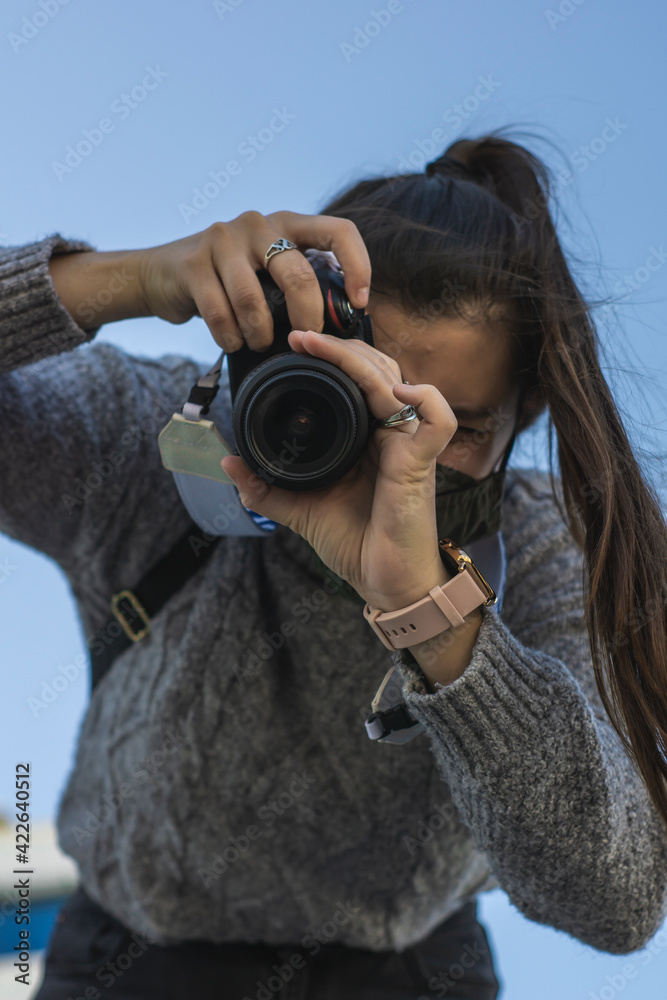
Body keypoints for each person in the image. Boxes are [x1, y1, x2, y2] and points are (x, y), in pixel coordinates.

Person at [2, 133, 667, 1000]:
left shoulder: (541, 550)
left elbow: (618, 903)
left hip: (409, 971)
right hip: (126, 959)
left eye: (451, 429)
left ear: (522, 417)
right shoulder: (159, 450)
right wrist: (134, 280)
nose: (395, 458)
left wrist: (435, 612)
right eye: (353, 397)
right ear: (281, 340)